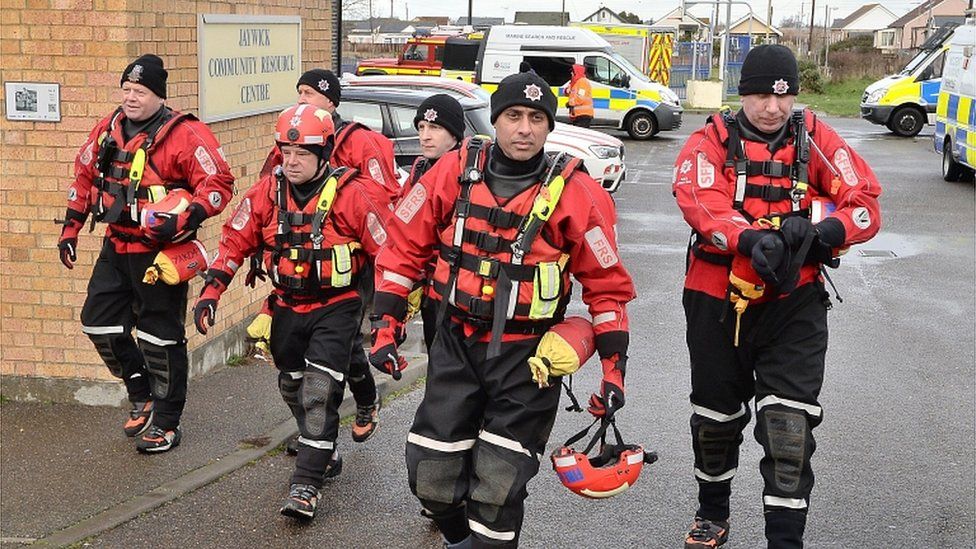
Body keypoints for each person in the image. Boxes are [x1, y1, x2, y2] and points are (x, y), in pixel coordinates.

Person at [369, 72, 636, 548]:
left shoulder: (577, 192)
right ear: (495, 120)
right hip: (455, 343)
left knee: (498, 485)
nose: (525, 129)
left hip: (528, 359)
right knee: (431, 474)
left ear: (549, 126)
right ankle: (457, 541)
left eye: (537, 118)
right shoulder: (452, 171)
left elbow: (607, 286)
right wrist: (384, 327)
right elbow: (402, 250)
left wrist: (613, 373)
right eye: (514, 116)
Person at [672, 44, 882, 549]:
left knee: (789, 428)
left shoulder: (817, 137)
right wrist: (748, 239)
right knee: (717, 417)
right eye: (762, 95)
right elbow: (701, 203)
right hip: (718, 298)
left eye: (783, 96)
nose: (773, 107)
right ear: (743, 94)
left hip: (796, 301)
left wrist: (828, 232)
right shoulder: (709, 142)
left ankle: (785, 539)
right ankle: (712, 512)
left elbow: (865, 202)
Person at [192, 104, 391, 520]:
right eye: (287, 152)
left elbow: (389, 256)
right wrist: (210, 292)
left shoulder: (353, 194)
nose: (293, 161)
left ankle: (306, 486)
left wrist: (387, 319)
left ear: (325, 154)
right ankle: (325, 448)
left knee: (319, 393)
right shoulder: (267, 192)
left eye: (303, 154)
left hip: (336, 308)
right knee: (292, 385)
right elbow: (234, 243)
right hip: (286, 305)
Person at [57, 54, 234, 453]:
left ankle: (168, 423)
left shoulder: (186, 134)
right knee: (97, 323)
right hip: (116, 246)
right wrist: (70, 229)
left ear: (158, 95)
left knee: (160, 338)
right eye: (126, 90)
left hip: (160, 253)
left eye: (139, 91)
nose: (130, 98)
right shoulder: (108, 128)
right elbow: (84, 177)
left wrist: (190, 214)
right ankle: (141, 391)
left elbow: (220, 182)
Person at [256, 68, 395, 449]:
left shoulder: (363, 141)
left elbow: (381, 199)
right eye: (299, 92)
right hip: (300, 262)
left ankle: (327, 433)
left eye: (311, 94)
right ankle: (340, 417)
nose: (302, 100)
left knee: (337, 344)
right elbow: (270, 193)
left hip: (351, 262)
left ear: (332, 102)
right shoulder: (291, 138)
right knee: (339, 349)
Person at [401, 93, 466, 351]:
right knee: (437, 360)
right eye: (421, 127)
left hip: (462, 286)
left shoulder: (469, 173)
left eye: (435, 128)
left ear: (455, 135)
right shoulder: (419, 168)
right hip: (429, 286)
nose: (425, 135)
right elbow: (403, 226)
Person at [564, 64, 594, 128]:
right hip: (578, 114)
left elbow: (581, 98)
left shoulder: (582, 82)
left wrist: (570, 103)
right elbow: (567, 92)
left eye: (572, 71)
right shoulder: (574, 82)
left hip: (583, 115)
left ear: (576, 72)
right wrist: (567, 90)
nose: (571, 73)